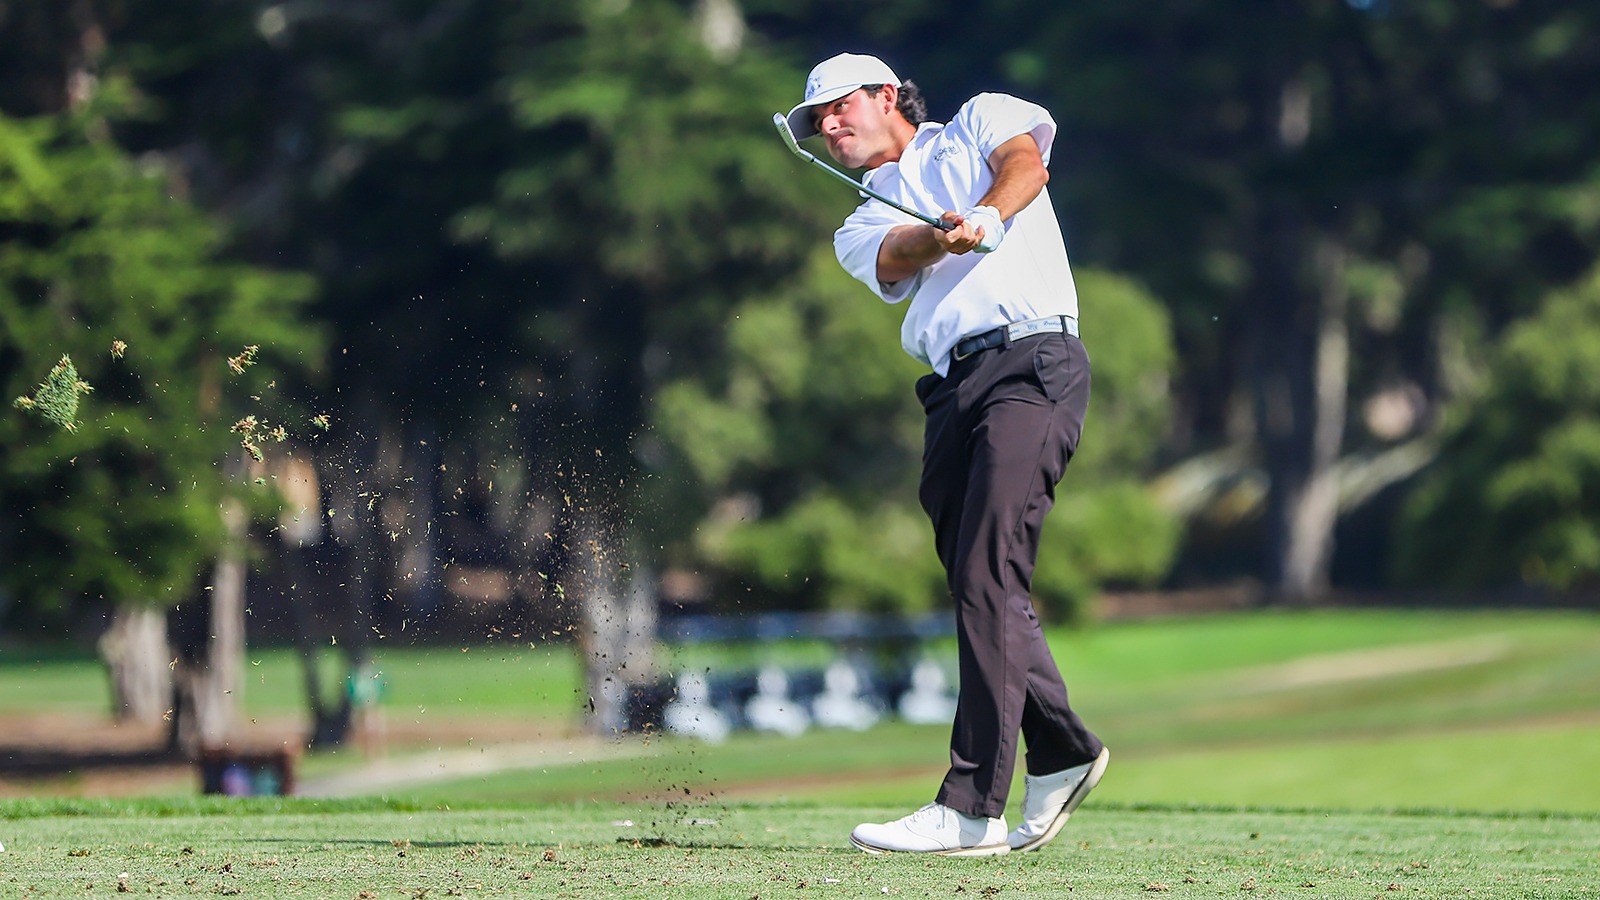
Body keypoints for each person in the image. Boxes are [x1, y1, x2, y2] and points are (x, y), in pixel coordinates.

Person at [784, 52, 1110, 856]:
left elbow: (1023, 164)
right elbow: (899, 255)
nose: (827, 127)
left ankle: (971, 807)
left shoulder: (978, 120)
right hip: (952, 392)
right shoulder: (856, 221)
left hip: (1033, 364)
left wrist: (990, 216)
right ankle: (1064, 749)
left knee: (988, 572)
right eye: (815, 122)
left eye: (837, 108)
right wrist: (942, 235)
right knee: (977, 576)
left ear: (887, 95)